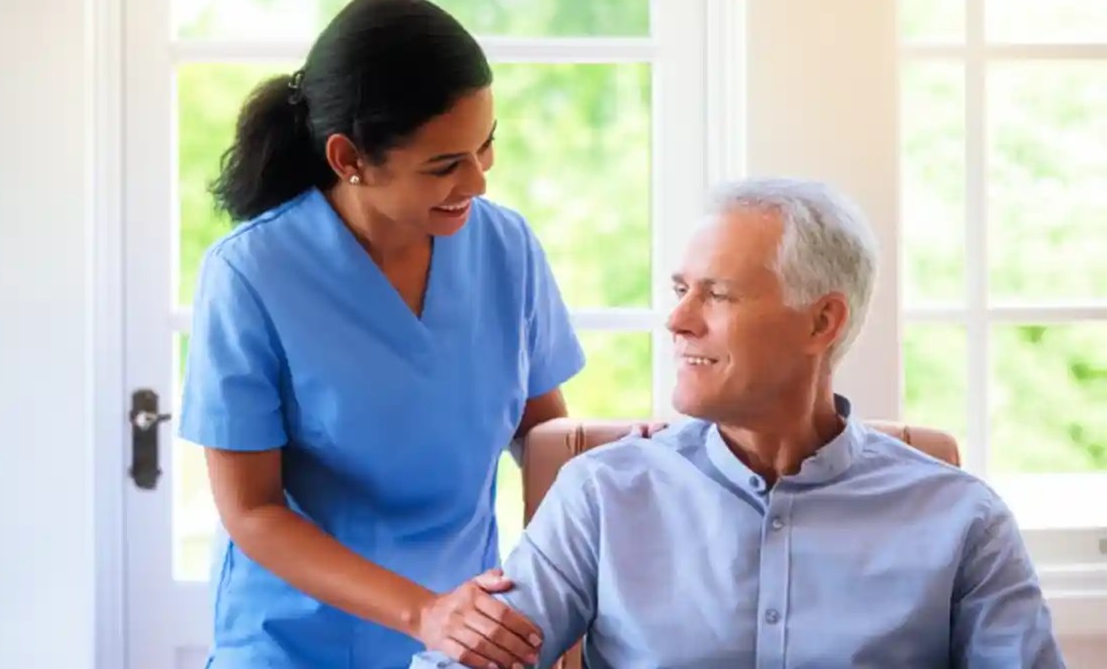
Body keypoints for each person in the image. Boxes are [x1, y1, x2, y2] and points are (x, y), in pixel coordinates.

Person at [412, 178, 1065, 668]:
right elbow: (467, 658)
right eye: (680, 290)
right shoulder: (604, 495)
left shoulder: (963, 521)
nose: (678, 320)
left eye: (717, 294)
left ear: (822, 322)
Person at [178, 0, 588, 668]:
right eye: (444, 164)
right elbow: (252, 511)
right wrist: (423, 611)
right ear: (349, 159)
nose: (478, 182)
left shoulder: (506, 247)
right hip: (294, 644)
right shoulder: (252, 274)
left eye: (485, 148)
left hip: (459, 644)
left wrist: (631, 473)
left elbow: (543, 440)